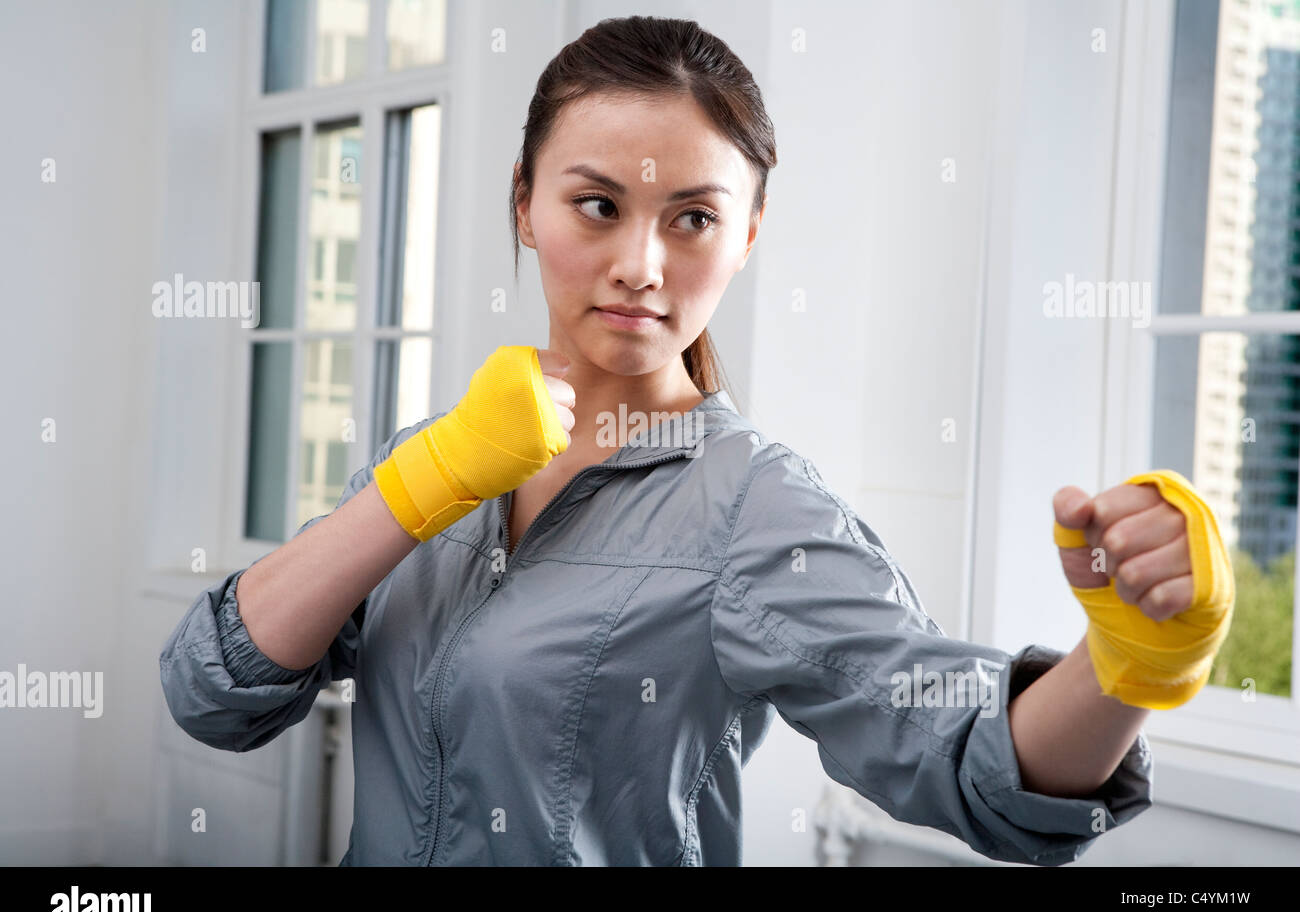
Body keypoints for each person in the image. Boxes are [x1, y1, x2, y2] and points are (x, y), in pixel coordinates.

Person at [161, 15, 1170, 867]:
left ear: (748, 233)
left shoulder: (756, 509)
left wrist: (1122, 663)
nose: (639, 263)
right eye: (596, 205)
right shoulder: (432, 452)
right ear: (524, 202)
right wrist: (422, 481)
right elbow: (211, 686)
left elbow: (973, 764)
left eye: (690, 217)